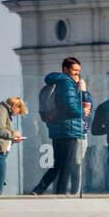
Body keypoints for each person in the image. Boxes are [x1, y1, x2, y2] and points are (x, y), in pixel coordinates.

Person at [31, 56, 85, 195]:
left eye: (79, 70)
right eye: (74, 70)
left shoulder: (59, 82)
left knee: (59, 163)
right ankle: (60, 195)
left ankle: (39, 189)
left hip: (58, 129)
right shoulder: (67, 83)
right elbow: (70, 107)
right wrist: (82, 110)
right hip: (69, 129)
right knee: (66, 164)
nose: (77, 73)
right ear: (65, 69)